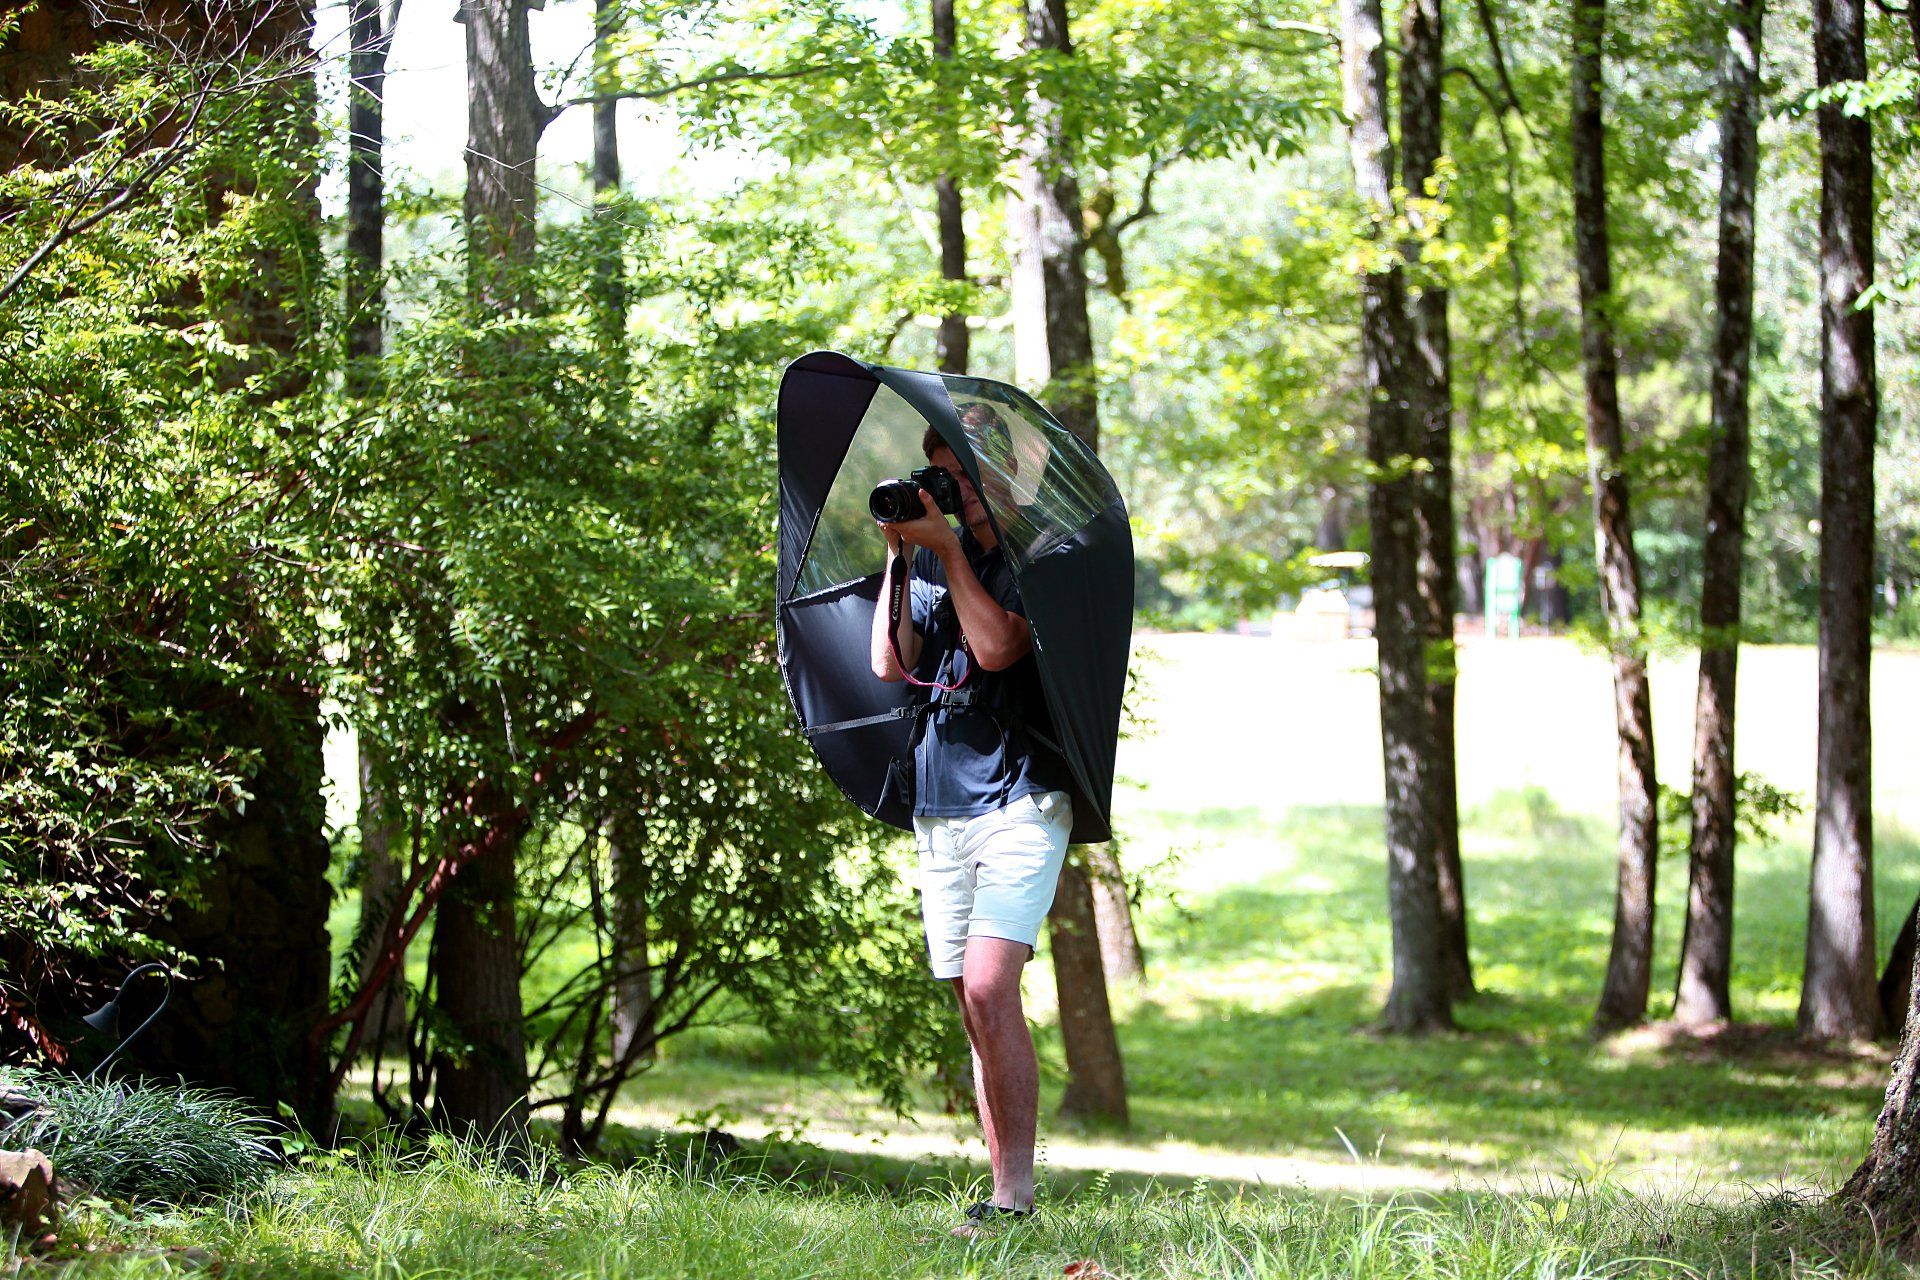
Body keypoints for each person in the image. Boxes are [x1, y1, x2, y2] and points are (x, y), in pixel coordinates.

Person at [869, 421, 1072, 1236]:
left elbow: (995, 649)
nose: (944, 488)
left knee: (992, 988)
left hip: (1021, 796)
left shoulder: (1044, 556)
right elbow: (890, 663)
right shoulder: (931, 556)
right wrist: (899, 552)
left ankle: (1014, 1200)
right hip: (941, 799)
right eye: (937, 475)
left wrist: (948, 553)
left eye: (955, 475)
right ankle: (999, 1190)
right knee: (971, 1005)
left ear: (996, 474)